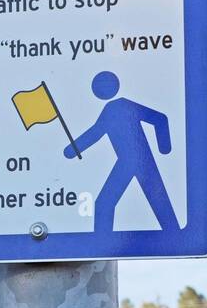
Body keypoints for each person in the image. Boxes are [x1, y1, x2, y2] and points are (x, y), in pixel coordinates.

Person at [64, 71, 179, 234]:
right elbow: (96, 132)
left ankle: (174, 234)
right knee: (107, 202)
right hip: (128, 161)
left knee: (156, 201)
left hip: (141, 160)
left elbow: (160, 118)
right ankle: (102, 242)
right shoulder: (111, 110)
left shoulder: (122, 106)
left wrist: (164, 147)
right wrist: (72, 150)